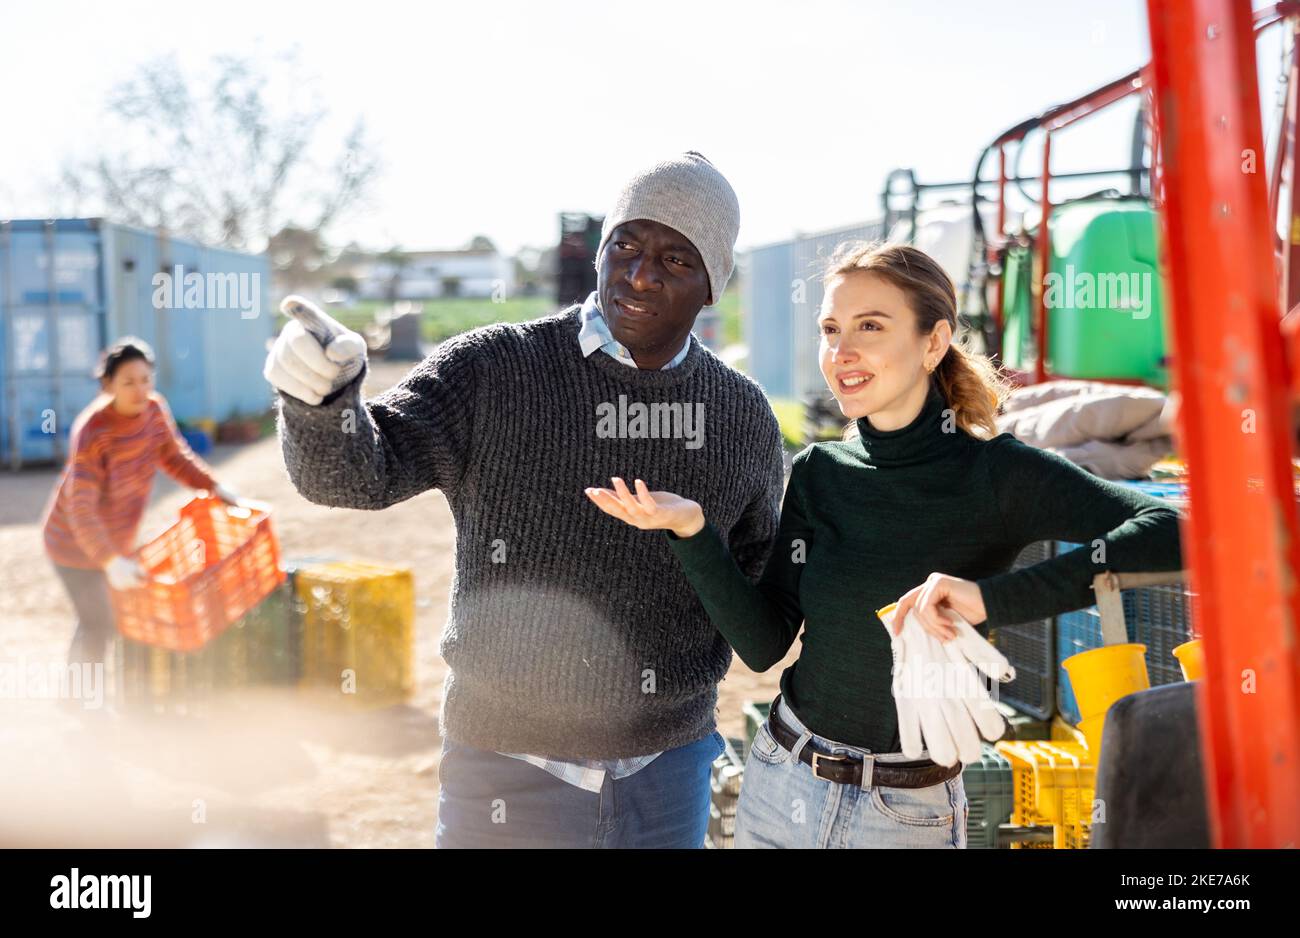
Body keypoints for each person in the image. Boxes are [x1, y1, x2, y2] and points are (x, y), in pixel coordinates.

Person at [264, 152, 786, 848]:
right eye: (625, 245)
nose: (638, 274)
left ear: (713, 285)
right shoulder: (494, 368)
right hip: (505, 768)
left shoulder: (740, 415)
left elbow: (755, 599)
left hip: (670, 773)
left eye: (675, 259)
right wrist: (321, 401)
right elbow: (358, 473)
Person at [587, 241, 1183, 848]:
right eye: (830, 328)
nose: (840, 351)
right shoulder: (822, 471)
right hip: (780, 782)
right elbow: (764, 644)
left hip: (906, 814)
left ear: (933, 342)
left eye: (870, 326)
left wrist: (987, 600)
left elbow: (1174, 534)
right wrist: (692, 532)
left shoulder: (999, 475)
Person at [41, 336, 242, 670]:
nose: (140, 390)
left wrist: (216, 487)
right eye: (128, 382)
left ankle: (94, 699)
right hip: (73, 545)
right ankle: (81, 702)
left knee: (113, 620)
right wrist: (109, 561)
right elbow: (81, 509)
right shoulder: (92, 431)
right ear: (108, 385)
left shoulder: (153, 410)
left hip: (115, 545)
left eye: (146, 380)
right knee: (98, 623)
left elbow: (175, 457)